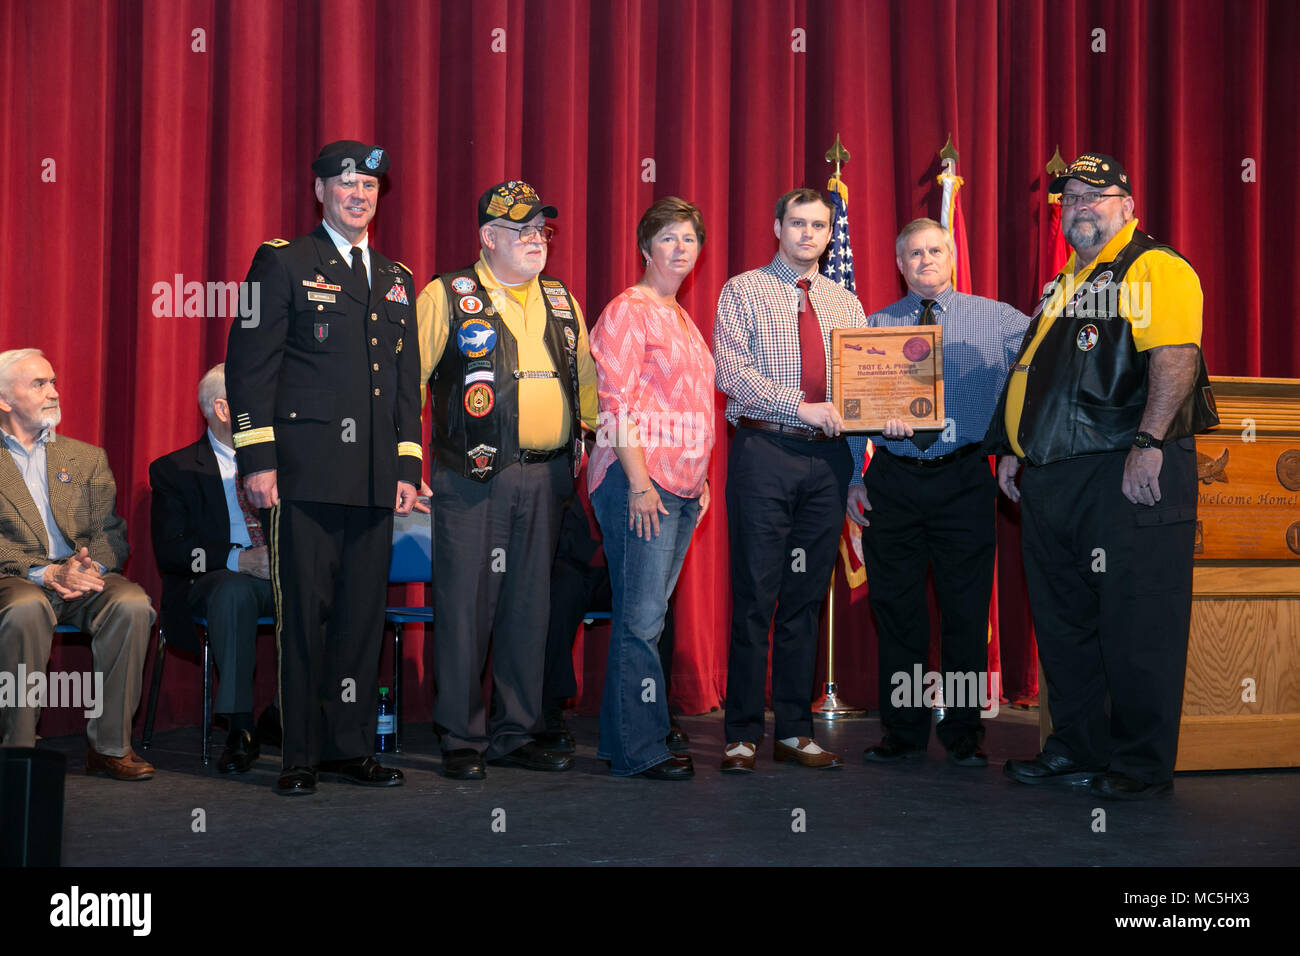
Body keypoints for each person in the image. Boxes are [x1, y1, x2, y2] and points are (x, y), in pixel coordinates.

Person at [988, 153, 1217, 800]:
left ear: (1128, 202)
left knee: (1137, 622)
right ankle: (1075, 748)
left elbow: (1175, 356)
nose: (1080, 205)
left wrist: (1149, 441)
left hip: (1124, 468)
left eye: (1096, 193)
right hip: (1055, 473)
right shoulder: (1068, 279)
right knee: (1064, 622)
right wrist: (1015, 445)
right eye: (1070, 197)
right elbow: (1044, 376)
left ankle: (1140, 765)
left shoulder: (1153, 267)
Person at [225, 140, 421, 796]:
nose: (358, 194)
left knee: (362, 620)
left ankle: (347, 748)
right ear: (319, 191)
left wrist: (406, 466)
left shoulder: (396, 276)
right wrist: (256, 458)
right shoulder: (281, 262)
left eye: (368, 185)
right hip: (301, 477)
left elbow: (403, 383)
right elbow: (250, 365)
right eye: (345, 184)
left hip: (371, 481)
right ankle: (300, 755)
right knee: (303, 619)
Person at [416, 180, 598, 780]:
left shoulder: (563, 300)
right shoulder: (447, 294)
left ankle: (515, 731)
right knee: (466, 606)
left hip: (547, 478)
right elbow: (404, 384)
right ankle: (461, 735)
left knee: (529, 606)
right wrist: (404, 465)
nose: (536, 240)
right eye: (521, 231)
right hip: (472, 479)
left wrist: (590, 443)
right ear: (487, 237)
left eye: (541, 230)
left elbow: (588, 388)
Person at [847, 219, 1029, 767]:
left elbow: (1035, 379)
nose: (926, 260)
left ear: (950, 256)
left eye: (935, 250)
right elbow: (855, 413)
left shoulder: (998, 320)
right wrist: (856, 474)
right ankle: (902, 734)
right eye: (914, 254)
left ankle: (965, 736)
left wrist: (1015, 452)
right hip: (894, 482)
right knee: (899, 616)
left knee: (966, 615)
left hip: (965, 478)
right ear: (899, 264)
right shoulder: (873, 328)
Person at [713, 187, 868, 773]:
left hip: (828, 464)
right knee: (756, 595)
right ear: (777, 226)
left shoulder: (844, 303)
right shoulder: (743, 289)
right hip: (764, 451)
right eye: (798, 223)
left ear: (831, 234)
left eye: (820, 226)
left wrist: (859, 463)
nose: (808, 234)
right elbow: (730, 371)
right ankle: (743, 734)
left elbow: (858, 391)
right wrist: (797, 407)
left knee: (804, 599)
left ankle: (795, 731)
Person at [587, 197, 716, 781]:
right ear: (645, 248)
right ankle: (644, 748)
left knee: (646, 618)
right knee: (641, 621)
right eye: (668, 238)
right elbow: (613, 407)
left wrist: (703, 477)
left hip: (682, 488)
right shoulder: (628, 310)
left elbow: (687, 402)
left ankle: (622, 746)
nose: (680, 248)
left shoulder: (681, 316)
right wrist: (639, 484)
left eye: (689, 238)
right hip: (641, 483)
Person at [0, 349, 156, 780]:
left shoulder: (85, 457)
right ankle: (17, 751)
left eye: (53, 382)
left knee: (132, 604)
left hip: (79, 576)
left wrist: (93, 569)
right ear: (4, 400)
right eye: (38, 384)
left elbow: (110, 533)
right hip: (13, 579)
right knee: (26, 608)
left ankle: (110, 747)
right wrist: (44, 572)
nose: (53, 392)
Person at [149, 364, 280, 774]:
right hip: (213, 581)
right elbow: (172, 551)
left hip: (281, 577)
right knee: (234, 591)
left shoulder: (288, 463)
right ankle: (239, 727)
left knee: (333, 585)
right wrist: (239, 559)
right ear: (224, 409)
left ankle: (287, 713)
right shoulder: (175, 469)